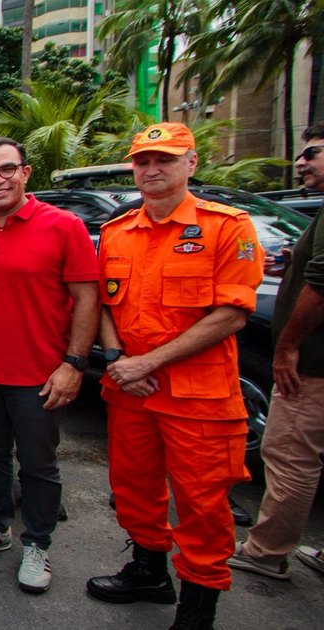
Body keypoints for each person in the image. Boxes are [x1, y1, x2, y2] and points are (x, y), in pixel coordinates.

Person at [86, 123, 263, 629]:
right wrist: (120, 359)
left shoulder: (226, 227)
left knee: (203, 504)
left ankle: (197, 609)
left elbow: (232, 314)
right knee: (135, 488)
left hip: (199, 395)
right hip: (131, 390)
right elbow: (104, 303)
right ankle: (148, 572)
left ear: (191, 163)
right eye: (143, 161)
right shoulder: (118, 232)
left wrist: (149, 363)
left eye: (164, 159)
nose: (152, 170)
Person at [0, 138, 99, 593]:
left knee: (39, 466)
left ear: (25, 172)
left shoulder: (63, 226)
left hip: (40, 376)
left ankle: (38, 543)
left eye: (5, 169)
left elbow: (86, 299)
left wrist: (74, 363)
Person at [229, 122, 324, 580]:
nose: (302, 162)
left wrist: (286, 348)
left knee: (290, 456)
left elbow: (321, 282)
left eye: (314, 153)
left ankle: (266, 552)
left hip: (313, 365)